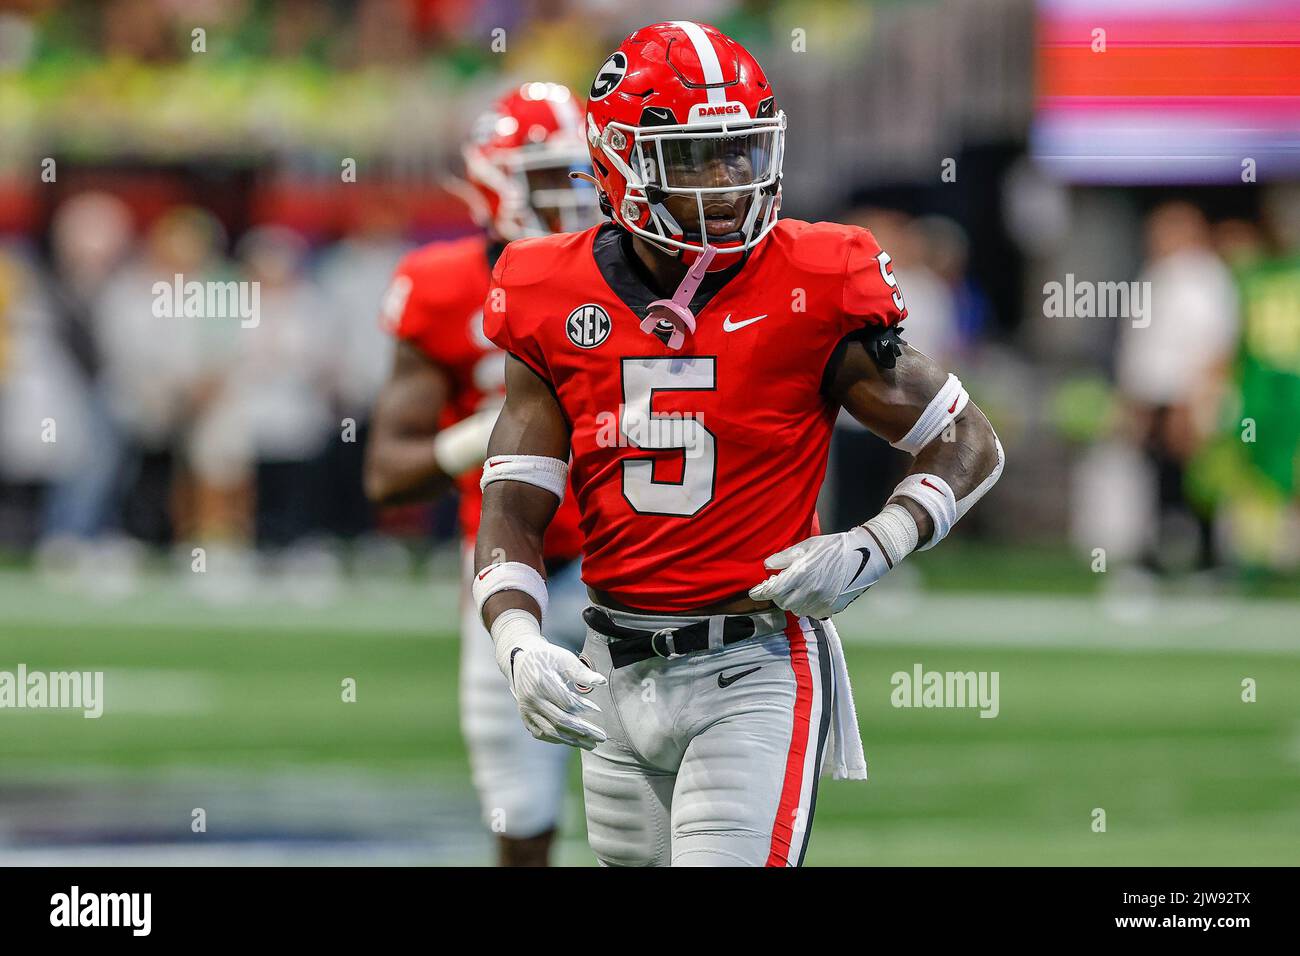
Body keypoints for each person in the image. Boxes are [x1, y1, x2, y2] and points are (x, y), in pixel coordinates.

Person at [472, 21, 1004, 867]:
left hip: (751, 665)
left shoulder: (816, 278)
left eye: (743, 153)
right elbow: (513, 501)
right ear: (619, 159)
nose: (728, 183)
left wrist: (878, 543)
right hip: (611, 668)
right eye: (695, 158)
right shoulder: (546, 288)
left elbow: (966, 440)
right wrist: (516, 638)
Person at [364, 82, 600, 866]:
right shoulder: (441, 287)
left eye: (585, 174)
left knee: (658, 827)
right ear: (493, 182)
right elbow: (388, 474)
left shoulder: (640, 273)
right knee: (521, 821)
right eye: (552, 177)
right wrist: (484, 438)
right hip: (509, 580)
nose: (576, 197)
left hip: (634, 573)